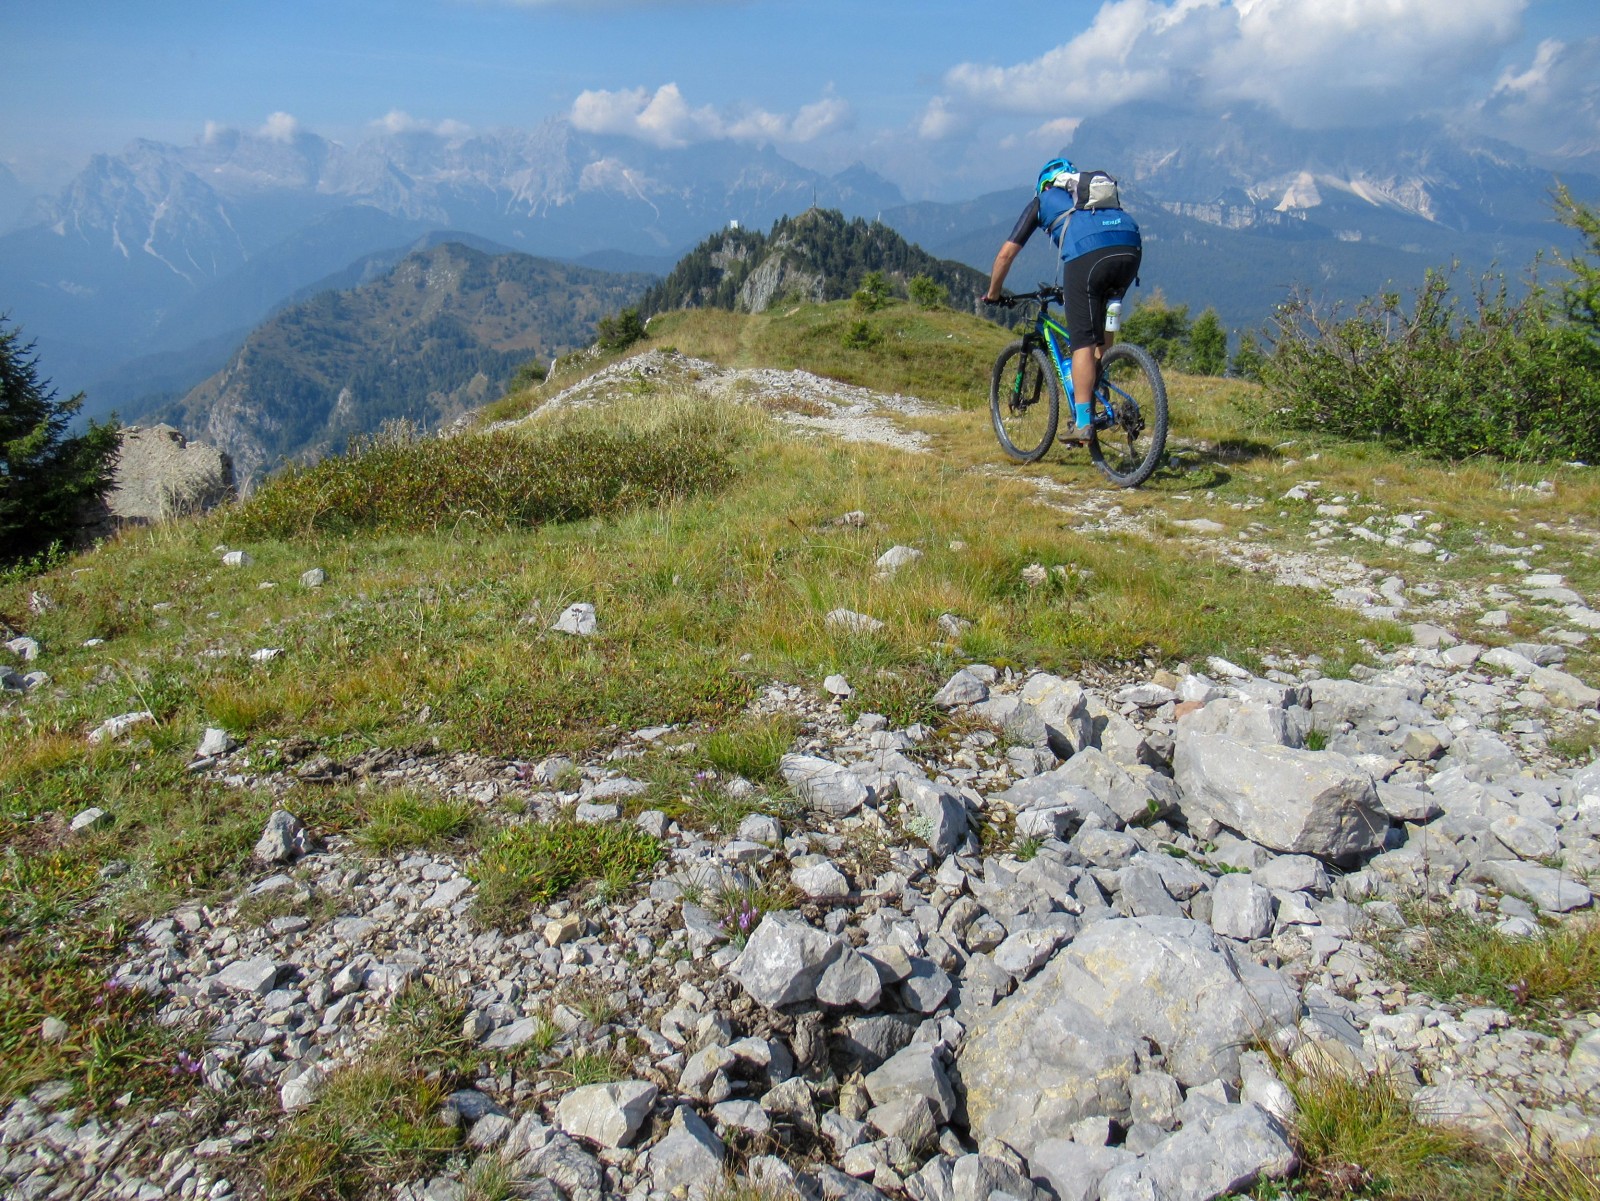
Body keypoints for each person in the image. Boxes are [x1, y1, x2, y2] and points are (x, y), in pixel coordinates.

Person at [984, 158, 1142, 442]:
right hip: (1130, 248)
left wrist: (993, 293)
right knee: (1102, 332)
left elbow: (1006, 255)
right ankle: (1099, 391)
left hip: (1089, 256)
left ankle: (1083, 422)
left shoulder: (1042, 200)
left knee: (1081, 341)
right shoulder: (1092, 199)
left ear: (1044, 184)